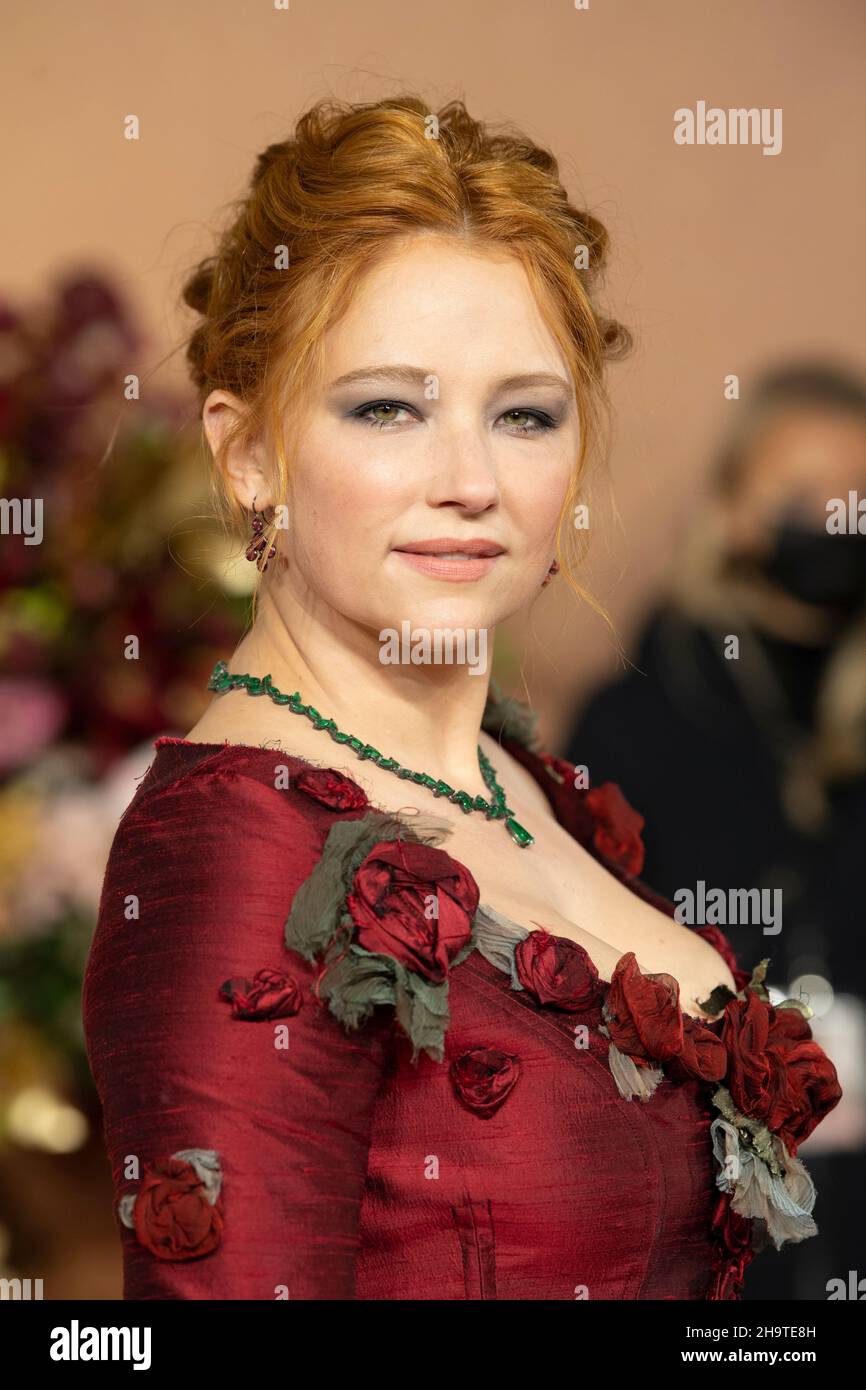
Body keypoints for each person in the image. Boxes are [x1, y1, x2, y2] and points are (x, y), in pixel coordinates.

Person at [82, 95, 840, 1301]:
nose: (470, 479)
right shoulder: (231, 847)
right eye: (387, 406)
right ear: (248, 453)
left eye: (523, 415)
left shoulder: (528, 787)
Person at [565, 361, 866, 1297]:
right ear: (732, 508)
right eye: (802, 498)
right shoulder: (635, 718)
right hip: (706, 1226)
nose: (832, 526)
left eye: (854, 504)